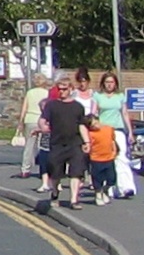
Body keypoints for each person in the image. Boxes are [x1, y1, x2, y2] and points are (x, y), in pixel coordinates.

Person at [41, 80, 90, 211]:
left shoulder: (78, 107)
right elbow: (43, 119)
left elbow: (81, 125)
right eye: (60, 89)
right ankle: (55, 193)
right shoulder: (51, 105)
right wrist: (42, 126)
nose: (62, 91)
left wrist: (87, 142)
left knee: (76, 171)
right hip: (57, 143)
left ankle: (74, 200)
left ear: (71, 89)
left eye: (64, 89)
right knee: (55, 172)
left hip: (75, 142)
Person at [89, 72, 130, 202]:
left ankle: (125, 188)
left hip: (118, 129)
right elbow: (93, 113)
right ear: (103, 83)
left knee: (121, 157)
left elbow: (125, 113)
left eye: (112, 82)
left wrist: (130, 132)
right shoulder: (97, 96)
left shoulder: (120, 96)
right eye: (107, 82)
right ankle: (107, 190)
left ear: (115, 84)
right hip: (103, 131)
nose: (109, 85)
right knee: (107, 161)